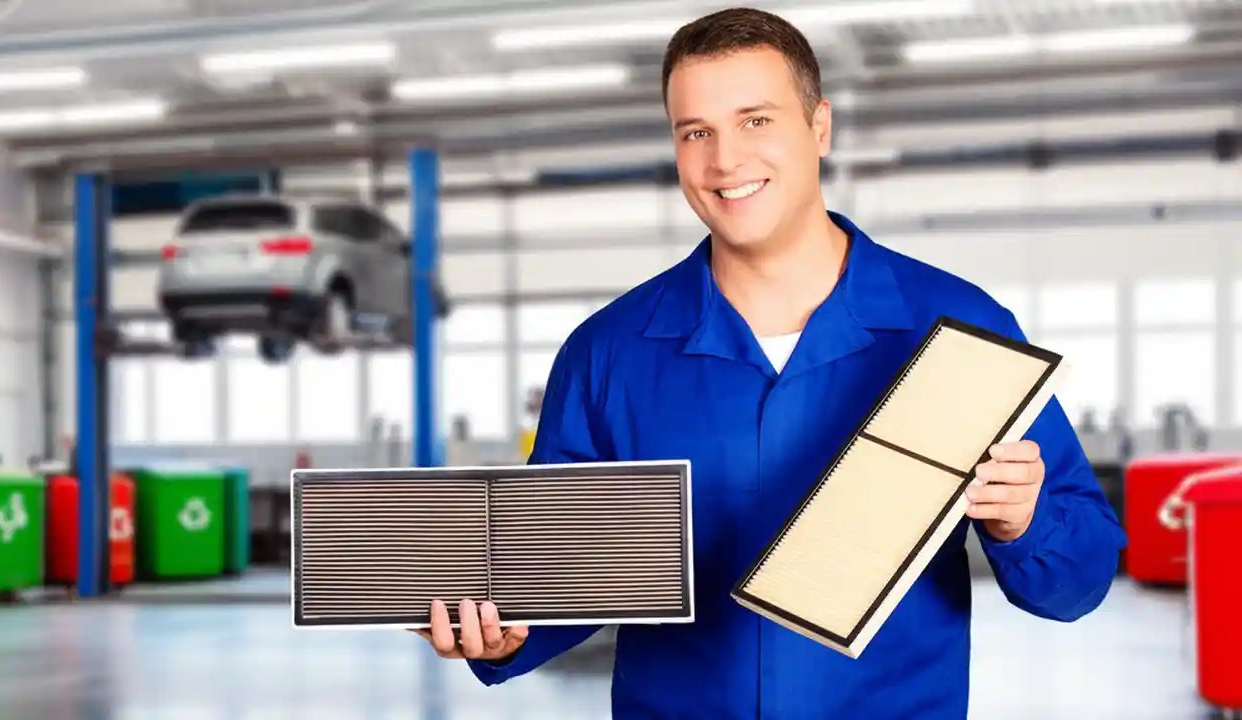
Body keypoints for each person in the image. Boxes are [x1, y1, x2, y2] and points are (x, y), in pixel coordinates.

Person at [415, 7, 1127, 718]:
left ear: (820, 127)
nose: (724, 160)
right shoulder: (610, 353)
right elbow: (562, 579)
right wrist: (503, 632)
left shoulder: (956, 329)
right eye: (696, 132)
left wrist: (1023, 522)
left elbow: (1078, 579)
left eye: (756, 120)